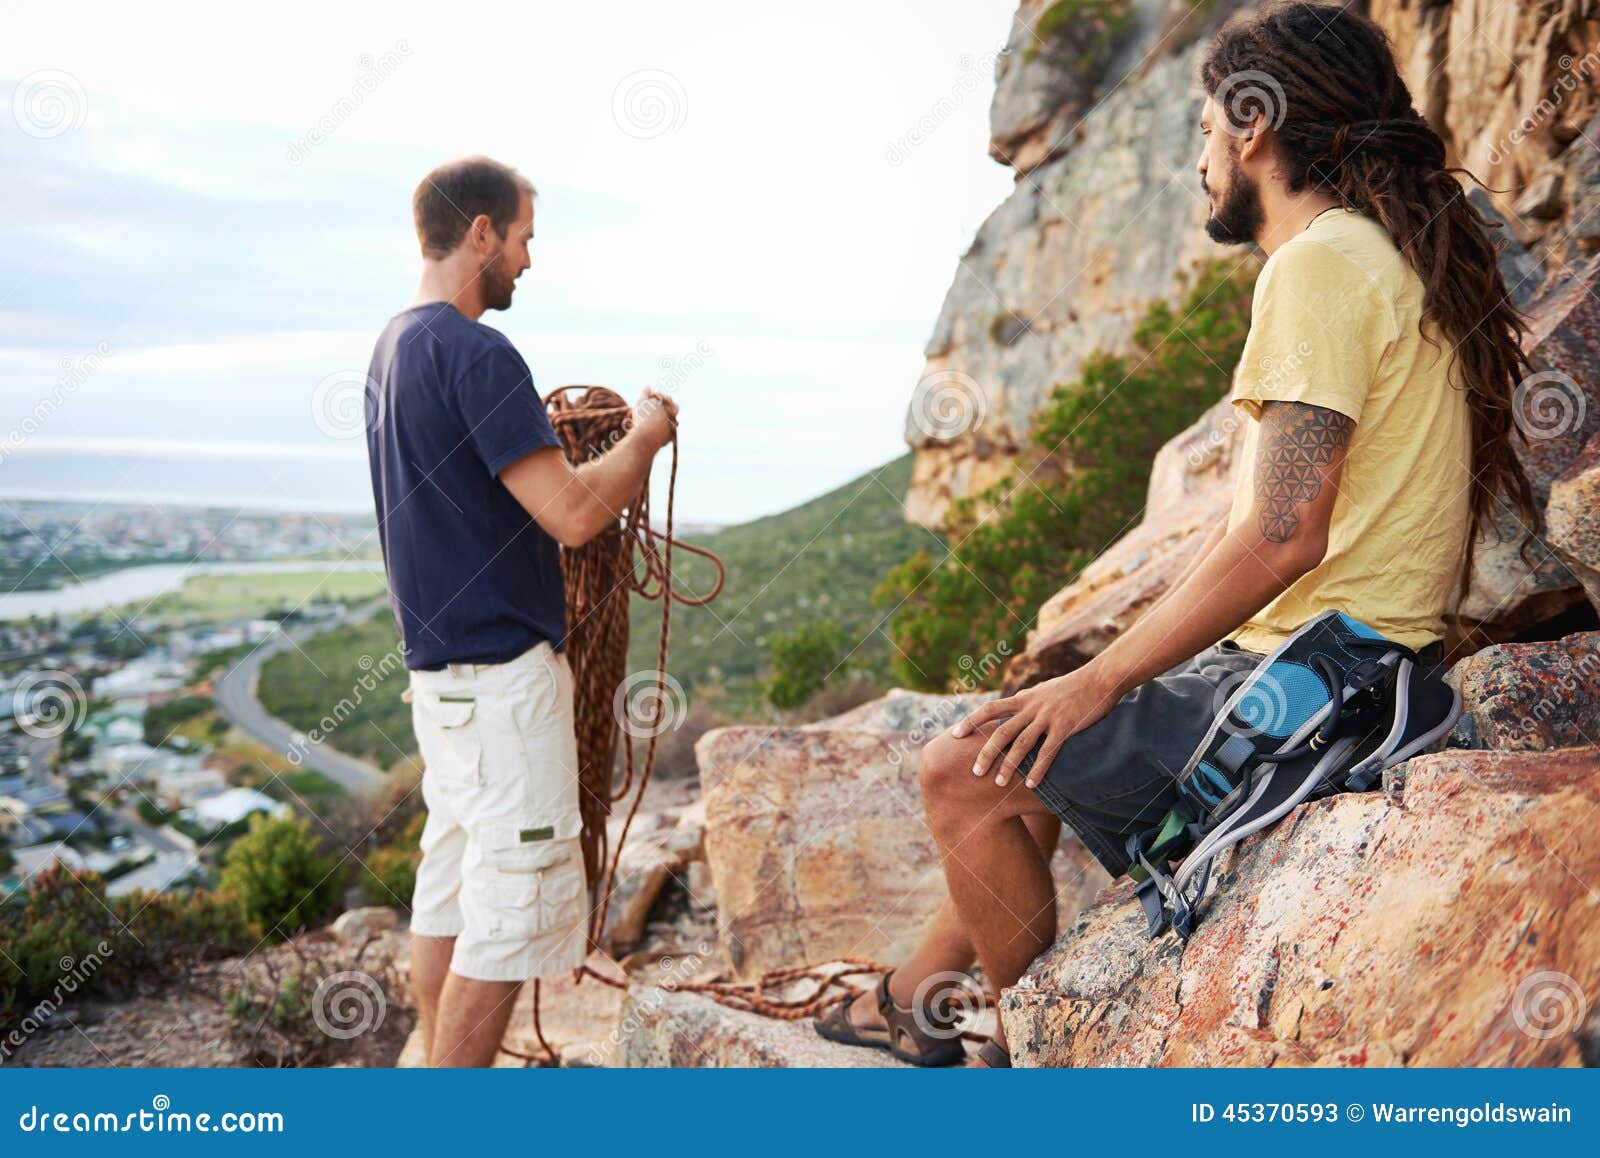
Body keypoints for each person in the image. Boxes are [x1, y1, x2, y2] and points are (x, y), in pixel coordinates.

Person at [816, 2, 1539, 1068]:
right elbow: (1267, 528)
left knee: (961, 769)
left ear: (1251, 130)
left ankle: (1036, 1053)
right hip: (1353, 663)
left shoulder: (1317, 268)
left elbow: (1284, 539)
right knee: (1033, 735)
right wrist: (1098, 670)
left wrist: (1097, 682)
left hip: (1316, 685)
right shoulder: (1384, 254)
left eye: (1204, 130)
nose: (1197, 159)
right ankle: (918, 997)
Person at [365, 156, 678, 1067]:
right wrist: (646, 439)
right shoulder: (478, 351)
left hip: (441, 687)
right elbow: (575, 516)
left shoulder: (393, 348)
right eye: (524, 238)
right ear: (480, 233)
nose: (529, 262)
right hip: (503, 688)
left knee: (451, 895)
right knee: (505, 917)